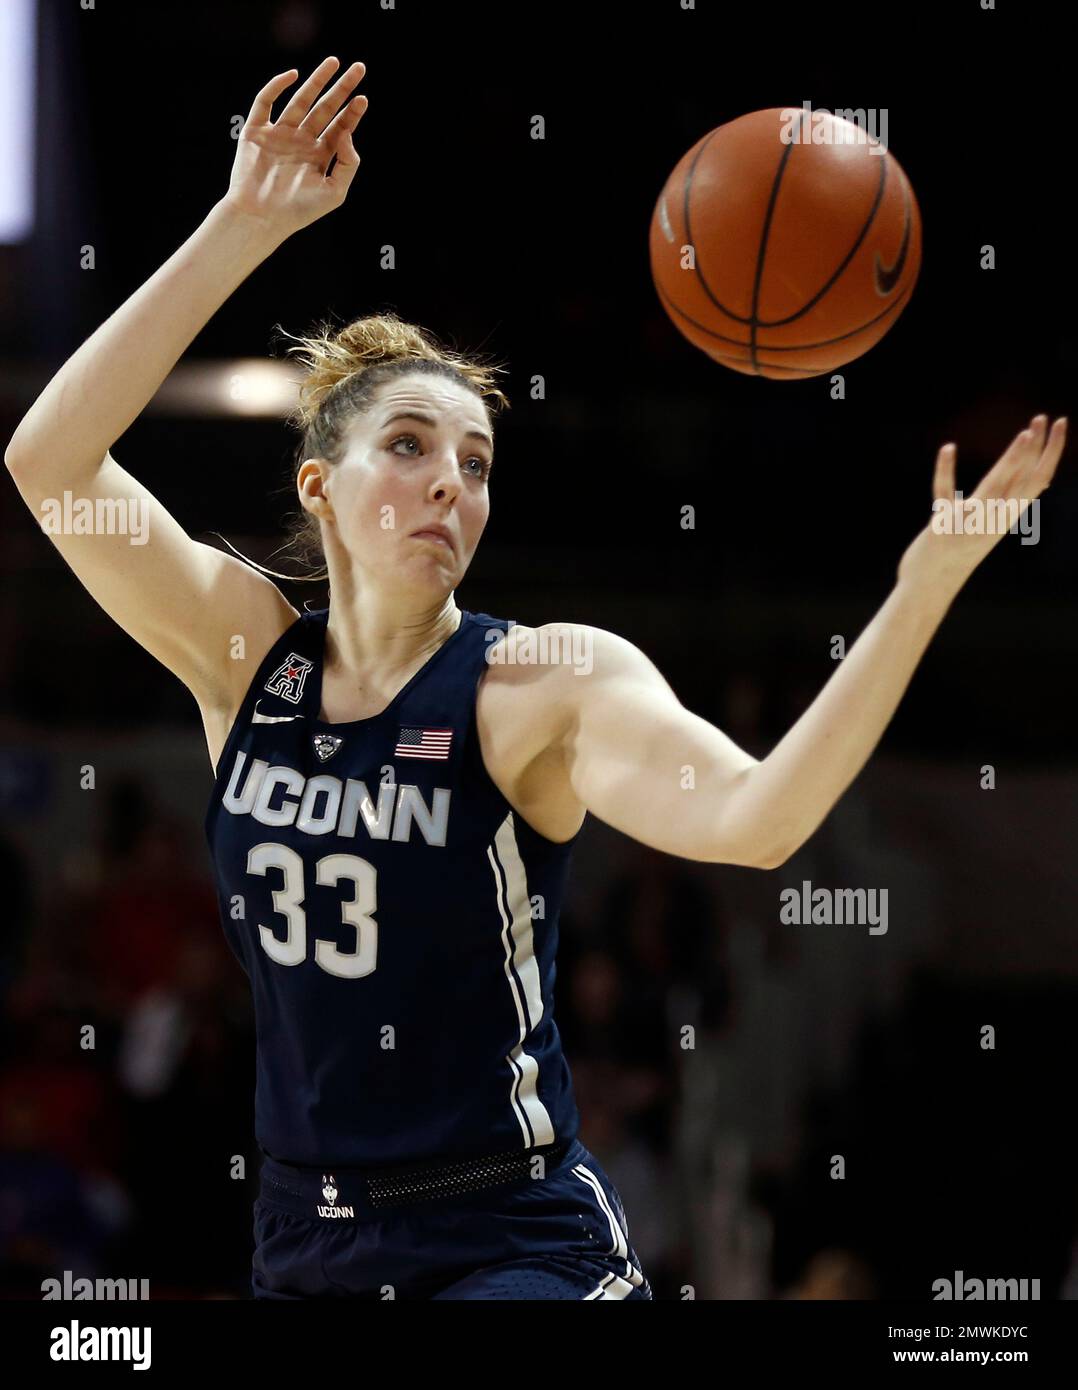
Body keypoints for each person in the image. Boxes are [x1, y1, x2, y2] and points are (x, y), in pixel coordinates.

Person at [3, 56, 1065, 1300]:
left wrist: (920, 590)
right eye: (407, 446)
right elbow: (51, 463)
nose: (452, 480)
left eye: (477, 457)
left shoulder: (540, 683)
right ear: (319, 490)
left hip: (505, 1238)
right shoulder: (247, 653)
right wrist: (243, 226)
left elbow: (759, 819)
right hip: (304, 1234)